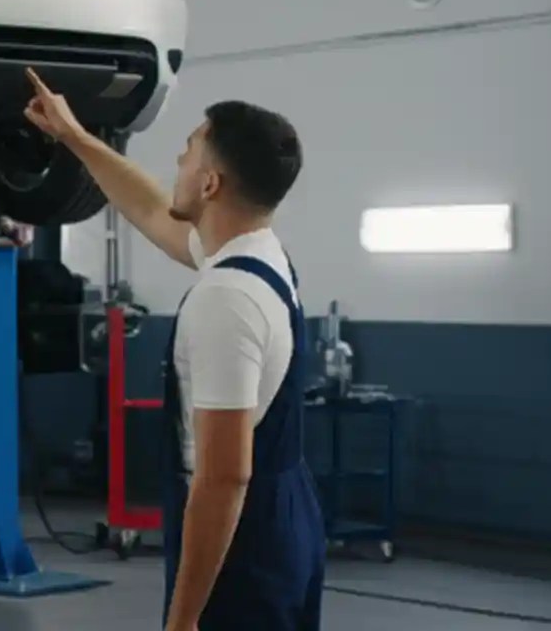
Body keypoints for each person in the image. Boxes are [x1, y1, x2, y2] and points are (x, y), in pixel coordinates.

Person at [22, 68, 325, 631]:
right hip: (285, 516)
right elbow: (152, 210)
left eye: (187, 153)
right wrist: (74, 135)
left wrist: (182, 622)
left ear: (210, 184)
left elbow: (225, 478)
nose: (177, 166)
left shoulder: (225, 299)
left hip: (245, 539)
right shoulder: (259, 254)